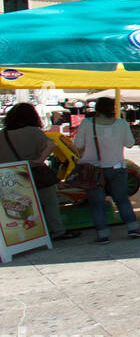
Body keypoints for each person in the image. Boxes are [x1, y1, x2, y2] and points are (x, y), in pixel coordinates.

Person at [0, 102, 79, 242]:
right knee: (49, 202)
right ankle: (57, 231)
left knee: (19, 206)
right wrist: (39, 160)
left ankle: (24, 235)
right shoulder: (32, 131)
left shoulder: (2, 134)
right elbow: (51, 144)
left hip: (10, 176)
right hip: (33, 172)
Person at [74, 98, 140, 243]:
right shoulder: (121, 124)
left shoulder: (87, 124)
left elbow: (78, 144)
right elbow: (130, 143)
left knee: (97, 203)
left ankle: (103, 235)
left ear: (96, 109)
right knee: (122, 199)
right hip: (116, 167)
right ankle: (133, 229)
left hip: (92, 169)